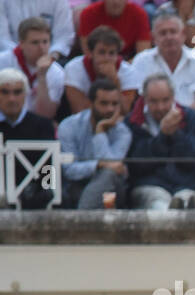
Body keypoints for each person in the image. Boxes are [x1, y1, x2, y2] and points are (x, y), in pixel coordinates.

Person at [127, 72, 195, 209]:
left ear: (173, 98)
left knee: (187, 200)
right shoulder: (133, 121)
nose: (160, 107)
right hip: (150, 186)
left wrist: (176, 133)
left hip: (186, 185)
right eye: (154, 101)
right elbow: (136, 165)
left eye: (165, 100)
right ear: (145, 99)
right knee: (159, 203)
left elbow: (194, 160)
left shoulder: (191, 117)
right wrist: (162, 136)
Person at [59, 79, 132, 209]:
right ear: (90, 103)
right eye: (104, 103)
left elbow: (111, 168)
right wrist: (98, 165)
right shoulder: (68, 126)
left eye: (114, 104)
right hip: (76, 186)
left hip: (112, 191)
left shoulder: (123, 132)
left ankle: (82, 220)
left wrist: (100, 132)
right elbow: (69, 170)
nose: (110, 109)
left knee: (108, 175)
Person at [130, 12, 195, 115]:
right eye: (163, 33)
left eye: (173, 32)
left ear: (183, 34)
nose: (169, 37)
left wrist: (178, 118)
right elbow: (139, 101)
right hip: (152, 123)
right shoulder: (142, 60)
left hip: (191, 122)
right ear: (153, 38)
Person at [0, 67, 58, 209]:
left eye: (17, 92)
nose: (11, 98)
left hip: (33, 198)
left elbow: (49, 165)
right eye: (5, 92)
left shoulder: (43, 125)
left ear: (26, 94)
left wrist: (46, 189)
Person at [67, 26, 138, 117]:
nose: (106, 59)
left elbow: (125, 111)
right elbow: (79, 110)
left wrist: (115, 81)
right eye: (102, 52)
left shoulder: (128, 72)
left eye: (111, 53)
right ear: (90, 53)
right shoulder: (74, 68)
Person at [0, 17, 64, 118]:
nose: (41, 48)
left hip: (35, 127)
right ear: (21, 44)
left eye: (45, 42)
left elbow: (45, 116)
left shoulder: (57, 72)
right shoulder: (2, 61)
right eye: (35, 42)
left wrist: (42, 77)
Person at [0, 0, 76, 59]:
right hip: (12, 57)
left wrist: (51, 57)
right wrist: (20, 56)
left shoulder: (58, 1)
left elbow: (64, 36)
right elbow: (3, 38)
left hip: (50, 58)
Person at [78, 0, 152, 58]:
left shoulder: (140, 14)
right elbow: (88, 53)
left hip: (129, 62)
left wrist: (121, 69)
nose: (116, 2)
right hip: (97, 63)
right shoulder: (88, 14)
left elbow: (143, 54)